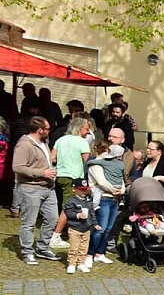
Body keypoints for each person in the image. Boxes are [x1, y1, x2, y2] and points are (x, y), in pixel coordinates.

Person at [14, 116, 59, 265]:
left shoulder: (44, 142)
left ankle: (43, 248)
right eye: (47, 129)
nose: (49, 131)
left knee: (52, 218)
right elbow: (18, 167)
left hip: (48, 188)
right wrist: (42, 173)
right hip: (30, 188)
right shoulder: (24, 144)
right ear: (40, 130)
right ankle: (27, 252)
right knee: (29, 222)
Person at [86, 141, 126, 267]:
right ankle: (90, 254)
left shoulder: (112, 163)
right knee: (100, 228)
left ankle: (100, 253)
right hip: (103, 199)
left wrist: (121, 190)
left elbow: (120, 178)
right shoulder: (96, 165)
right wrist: (114, 190)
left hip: (114, 199)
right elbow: (102, 182)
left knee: (108, 229)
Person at [62, 181, 100, 274]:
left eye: (85, 189)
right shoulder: (71, 201)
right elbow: (68, 213)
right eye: (81, 190)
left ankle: (81, 263)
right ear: (74, 189)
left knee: (84, 248)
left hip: (86, 229)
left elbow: (92, 214)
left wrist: (95, 224)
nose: (83, 192)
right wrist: (78, 215)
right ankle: (72, 264)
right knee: (74, 247)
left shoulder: (88, 201)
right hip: (75, 229)